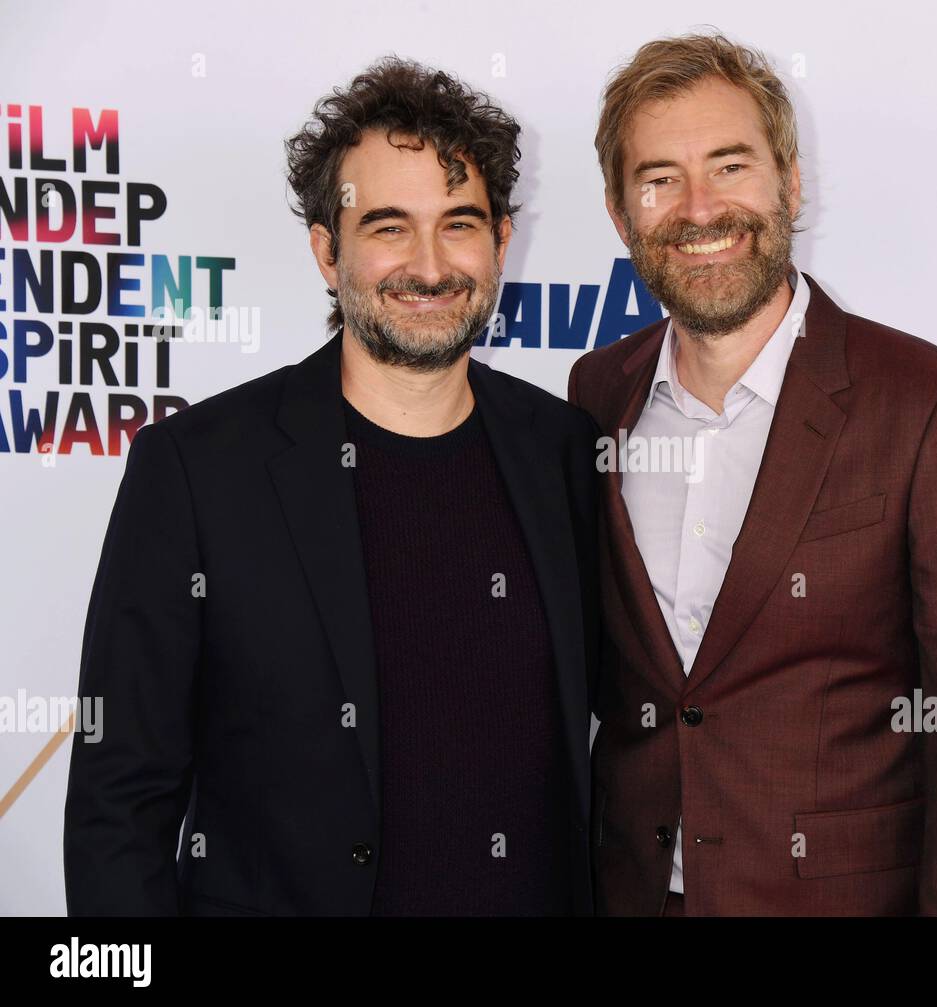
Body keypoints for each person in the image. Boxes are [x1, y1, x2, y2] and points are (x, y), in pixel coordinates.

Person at [64, 56, 600, 916]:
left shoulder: (568, 453)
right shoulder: (199, 470)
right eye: (389, 226)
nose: (429, 266)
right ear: (327, 249)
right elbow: (117, 804)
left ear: (502, 240)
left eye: (459, 223)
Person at [569, 32, 937, 916]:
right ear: (621, 213)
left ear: (790, 181)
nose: (699, 208)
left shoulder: (931, 405)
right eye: (660, 178)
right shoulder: (598, 391)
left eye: (731, 166)